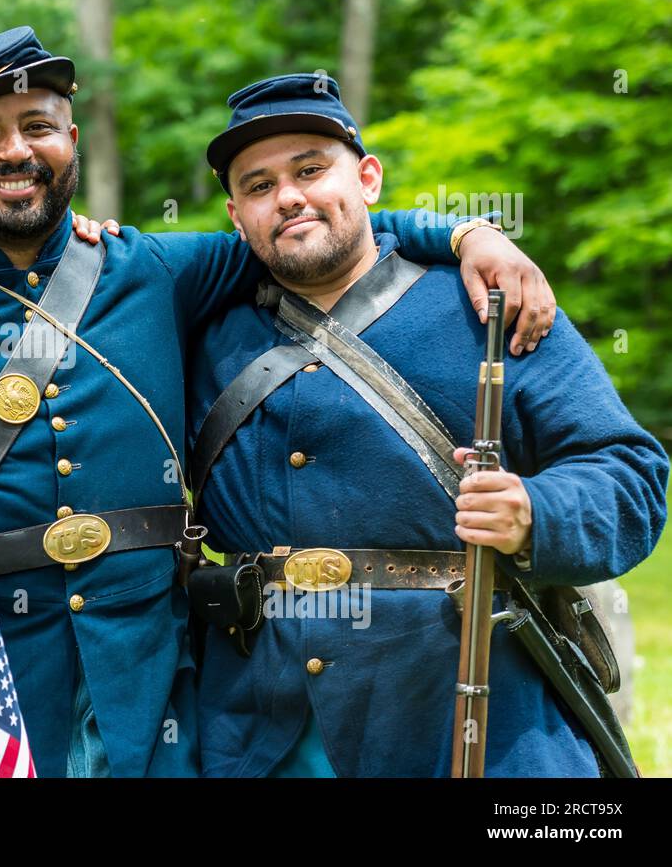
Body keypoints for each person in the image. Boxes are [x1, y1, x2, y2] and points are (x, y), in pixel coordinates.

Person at [0, 27, 552, 778]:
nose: (16, 150)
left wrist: (466, 234)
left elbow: (311, 225)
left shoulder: (154, 268)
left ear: (72, 137)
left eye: (37, 127)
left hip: (151, 700)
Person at [186, 73, 669, 776]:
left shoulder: (490, 302)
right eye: (258, 186)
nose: (287, 196)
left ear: (369, 179)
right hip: (261, 736)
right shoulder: (202, 333)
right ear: (236, 216)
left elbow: (632, 476)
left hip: (478, 729)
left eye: (311, 169)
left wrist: (535, 511)